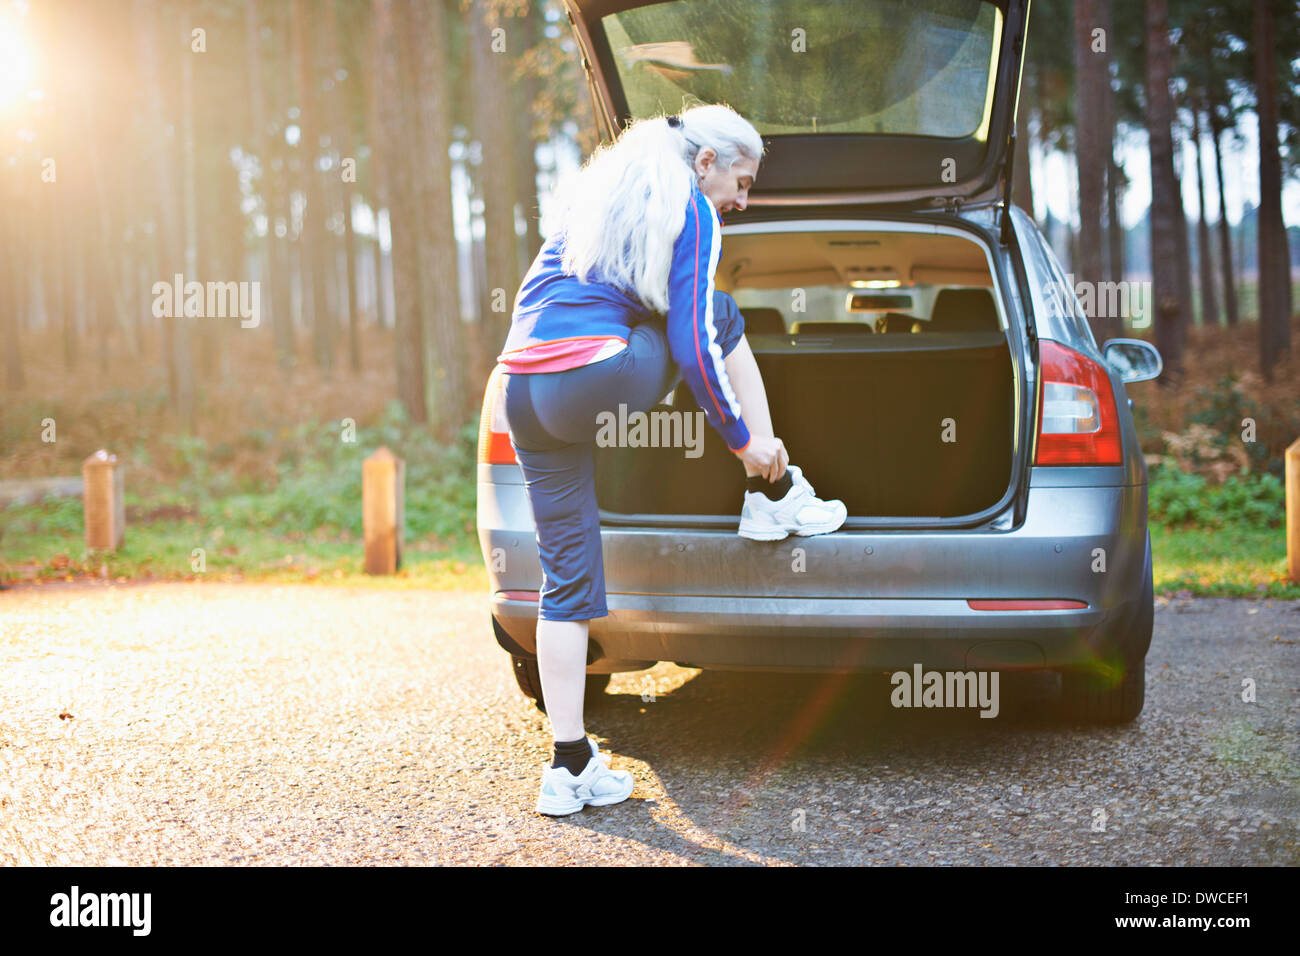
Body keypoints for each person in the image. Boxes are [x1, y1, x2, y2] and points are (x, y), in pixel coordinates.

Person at [496, 104, 847, 817]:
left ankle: (567, 765)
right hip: (596, 373)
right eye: (742, 182)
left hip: (522, 393)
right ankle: (774, 489)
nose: (742, 201)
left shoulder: (597, 200)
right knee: (718, 313)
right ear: (707, 163)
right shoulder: (691, 208)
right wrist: (743, 440)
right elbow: (691, 343)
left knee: (564, 581)